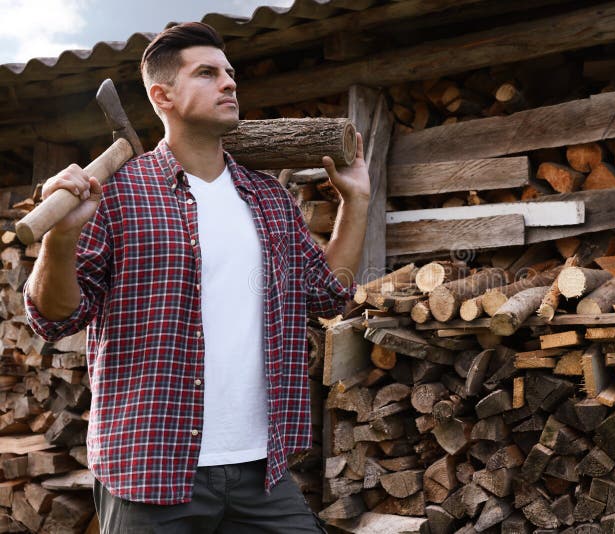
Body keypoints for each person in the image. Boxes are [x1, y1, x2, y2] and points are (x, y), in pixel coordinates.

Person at [24, 21, 369, 533]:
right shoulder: (117, 194)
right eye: (207, 74)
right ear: (161, 95)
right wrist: (59, 240)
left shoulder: (268, 198)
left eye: (229, 73)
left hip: (261, 471)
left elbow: (327, 292)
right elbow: (52, 317)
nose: (229, 83)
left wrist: (356, 200)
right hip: (149, 470)